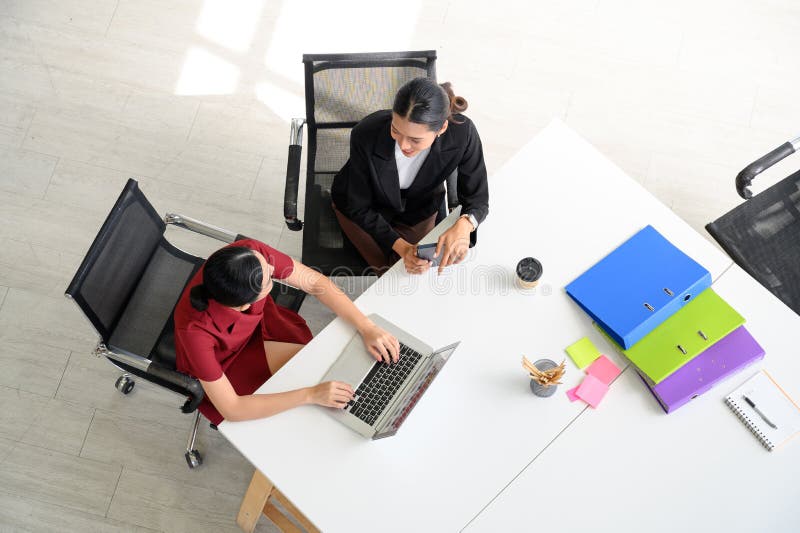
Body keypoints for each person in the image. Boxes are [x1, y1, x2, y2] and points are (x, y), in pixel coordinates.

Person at [174, 238, 400, 424]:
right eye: (268, 279)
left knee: (318, 369)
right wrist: (311, 394)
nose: (273, 268)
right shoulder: (194, 334)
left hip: (257, 328)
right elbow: (233, 408)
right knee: (301, 407)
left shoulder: (250, 255)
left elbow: (314, 282)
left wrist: (366, 326)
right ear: (244, 306)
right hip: (227, 364)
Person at [331, 77, 489, 275]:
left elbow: (478, 197)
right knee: (392, 272)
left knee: (414, 269)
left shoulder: (463, 134)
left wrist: (465, 225)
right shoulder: (366, 134)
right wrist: (401, 246)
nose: (403, 145)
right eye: (395, 130)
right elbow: (358, 205)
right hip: (363, 206)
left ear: (441, 129)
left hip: (419, 206)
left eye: (415, 140)